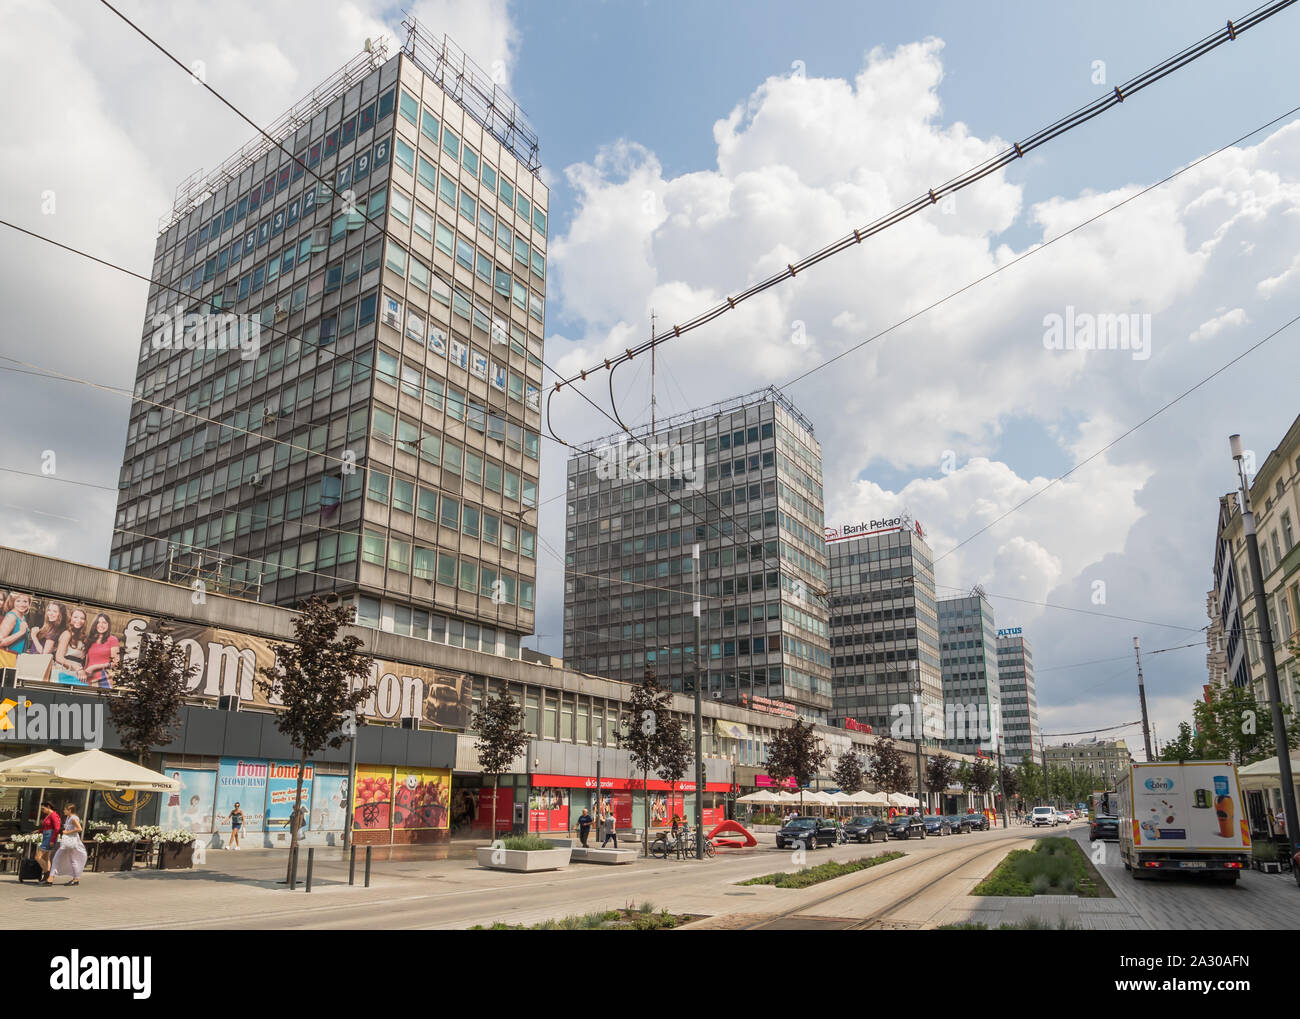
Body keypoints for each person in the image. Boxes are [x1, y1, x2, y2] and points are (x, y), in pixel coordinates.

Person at [51, 802, 86, 886]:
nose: (63, 811)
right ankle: (75, 879)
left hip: (72, 842)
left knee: (57, 858)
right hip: (69, 841)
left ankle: (51, 877)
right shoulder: (68, 817)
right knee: (72, 860)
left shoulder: (73, 818)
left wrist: (67, 832)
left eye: (65, 809)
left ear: (69, 810)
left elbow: (79, 829)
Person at [83, 613, 119, 688]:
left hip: (104, 680)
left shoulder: (112, 639)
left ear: (108, 625)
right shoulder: (90, 640)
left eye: (104, 622)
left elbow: (115, 663)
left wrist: (94, 667)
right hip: (89, 681)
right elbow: (87, 662)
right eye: (98, 622)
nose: (101, 625)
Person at [54, 608, 89, 683]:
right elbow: (58, 657)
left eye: (82, 618)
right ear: (70, 618)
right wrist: (77, 668)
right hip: (64, 671)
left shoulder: (83, 637)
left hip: (76, 672)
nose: (79, 620)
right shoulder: (67, 633)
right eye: (75, 617)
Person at [36, 802, 61, 885]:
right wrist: (38, 831)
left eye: (43, 808)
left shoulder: (54, 815)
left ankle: (48, 874)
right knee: (46, 858)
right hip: (46, 836)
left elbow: (57, 828)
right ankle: (47, 878)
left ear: (48, 807)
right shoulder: (49, 815)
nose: (42, 810)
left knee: (37, 857)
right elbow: (47, 827)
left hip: (49, 838)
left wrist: (52, 840)